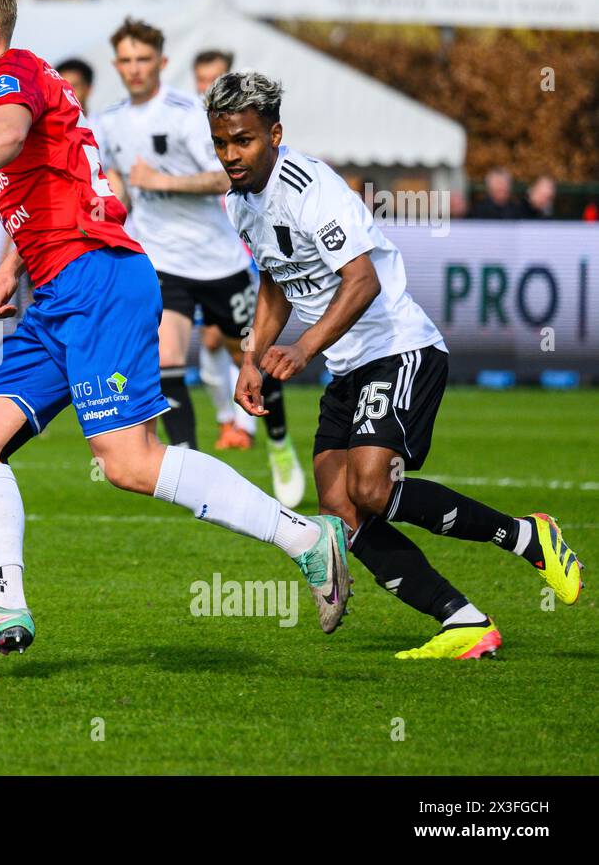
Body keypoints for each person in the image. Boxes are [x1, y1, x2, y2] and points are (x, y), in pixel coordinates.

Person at [0, 0, 350, 662]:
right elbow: (42, 173)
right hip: (58, 291)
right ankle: (3, 605)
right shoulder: (21, 88)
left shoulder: (11, 77)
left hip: (97, 281)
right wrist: (11, 268)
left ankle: (307, 538)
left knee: (130, 462)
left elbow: (10, 139)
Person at [207, 70, 583, 659]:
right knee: (339, 505)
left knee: (372, 489)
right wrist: (251, 355)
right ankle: (462, 620)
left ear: (274, 134)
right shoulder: (238, 203)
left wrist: (302, 350)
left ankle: (527, 536)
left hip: (397, 348)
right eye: (222, 142)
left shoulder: (312, 188)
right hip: (347, 365)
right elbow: (275, 281)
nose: (232, 154)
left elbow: (362, 281)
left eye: (244, 140)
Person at [95, 18, 305, 507]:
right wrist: (113, 204)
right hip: (161, 263)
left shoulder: (189, 113)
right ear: (116, 65)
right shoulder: (107, 121)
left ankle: (277, 444)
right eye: (125, 60)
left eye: (143, 59)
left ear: (162, 63)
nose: (134, 69)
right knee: (167, 361)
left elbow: (224, 178)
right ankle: (190, 469)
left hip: (218, 262)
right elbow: (121, 181)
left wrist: (159, 181)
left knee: (248, 359)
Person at [188, 49, 256, 450]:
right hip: (199, 257)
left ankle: (242, 426)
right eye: (199, 79)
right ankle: (231, 423)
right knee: (212, 342)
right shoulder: (187, 126)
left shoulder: (243, 132)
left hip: (236, 256)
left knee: (227, 343)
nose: (204, 88)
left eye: (212, 79)